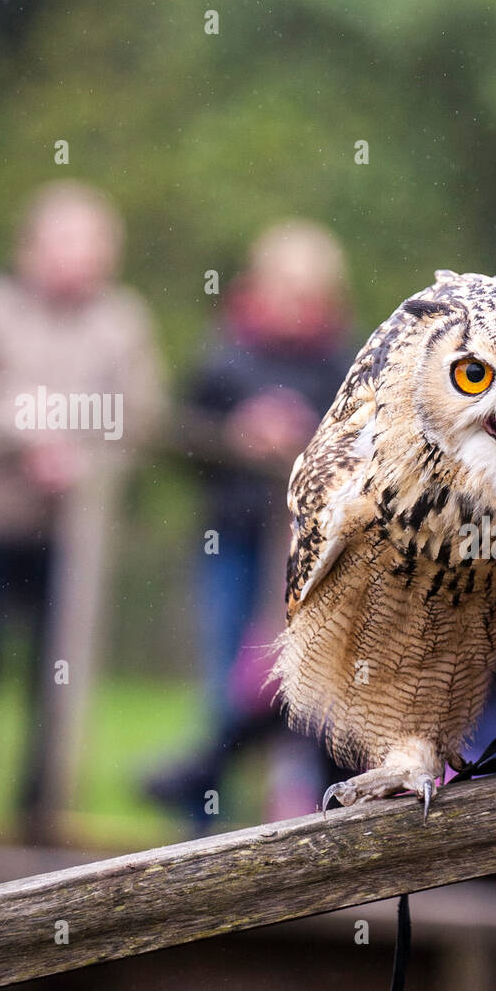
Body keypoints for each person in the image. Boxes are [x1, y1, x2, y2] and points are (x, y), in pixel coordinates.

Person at [147, 220, 355, 828]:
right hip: (231, 540)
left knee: (303, 686)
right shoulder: (222, 356)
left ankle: (295, 825)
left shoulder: (346, 364)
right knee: (227, 677)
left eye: (306, 290)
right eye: (283, 287)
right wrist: (237, 436)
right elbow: (180, 442)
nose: (293, 303)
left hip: (314, 554)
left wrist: (306, 437)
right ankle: (202, 824)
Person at [0, 180, 164, 831]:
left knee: (58, 676)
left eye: (91, 244)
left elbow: (140, 419)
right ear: (34, 245)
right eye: (66, 242)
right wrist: (25, 434)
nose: (78, 258)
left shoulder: (123, 323)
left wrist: (81, 461)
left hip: (72, 532)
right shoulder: (1, 308)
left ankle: (40, 811)